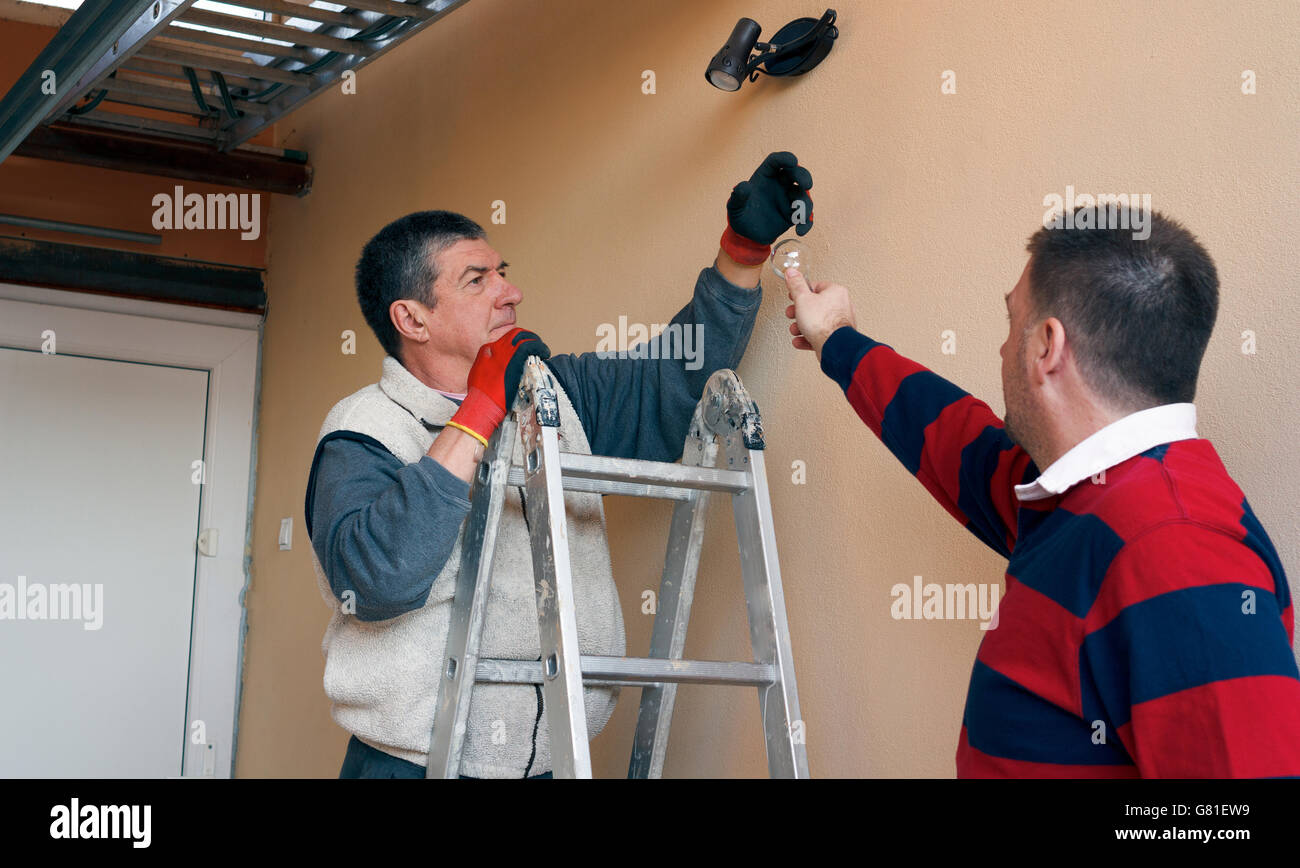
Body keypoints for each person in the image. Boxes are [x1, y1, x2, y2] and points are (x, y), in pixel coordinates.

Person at [305, 152, 813, 778]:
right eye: (476, 280)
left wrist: (740, 254)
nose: (510, 292)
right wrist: (479, 411)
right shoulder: (362, 430)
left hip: (550, 761)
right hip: (412, 765)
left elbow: (668, 383)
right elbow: (378, 577)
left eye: (503, 273)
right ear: (412, 319)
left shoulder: (549, 395)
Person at [783, 206, 1300, 777]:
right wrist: (837, 338)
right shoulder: (1084, 501)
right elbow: (954, 441)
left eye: (1012, 324)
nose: (1004, 351)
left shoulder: (1177, 552)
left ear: (1047, 346)